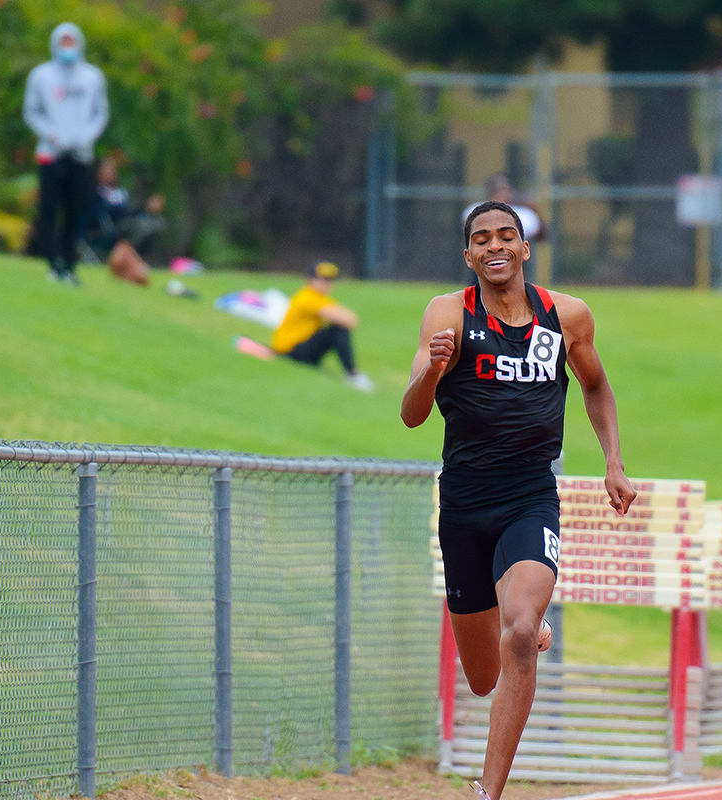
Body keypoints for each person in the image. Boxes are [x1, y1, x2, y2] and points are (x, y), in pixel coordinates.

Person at [401, 200, 636, 800]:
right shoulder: (448, 312)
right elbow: (411, 415)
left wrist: (614, 462)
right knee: (483, 676)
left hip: (530, 493)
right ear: (469, 255)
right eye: (483, 239)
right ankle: (519, 621)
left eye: (508, 235)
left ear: (525, 248)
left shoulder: (567, 316)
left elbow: (596, 387)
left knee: (522, 629)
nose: (496, 246)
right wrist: (432, 370)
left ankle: (488, 792)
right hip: (463, 501)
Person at [24, 22, 109, 285]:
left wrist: (85, 137)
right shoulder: (41, 76)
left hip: (80, 154)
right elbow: (31, 111)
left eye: (71, 43)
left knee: (76, 211)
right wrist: (51, 134)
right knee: (48, 210)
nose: (67, 49)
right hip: (51, 153)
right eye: (63, 43)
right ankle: (52, 262)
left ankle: (70, 265)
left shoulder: (92, 77)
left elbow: (100, 113)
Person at [270, 261, 374, 392]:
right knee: (338, 330)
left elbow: (349, 318)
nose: (327, 284)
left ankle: (352, 375)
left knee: (336, 328)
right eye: (323, 280)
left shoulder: (318, 298)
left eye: (330, 280)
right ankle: (353, 375)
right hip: (290, 351)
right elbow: (348, 320)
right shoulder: (307, 298)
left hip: (298, 347)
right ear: (310, 280)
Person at [83, 156, 167, 287]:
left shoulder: (119, 193)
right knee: (142, 227)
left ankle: (138, 258)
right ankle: (131, 259)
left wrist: (146, 208)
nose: (110, 174)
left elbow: (128, 213)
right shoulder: (94, 192)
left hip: (124, 225)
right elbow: (93, 214)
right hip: (105, 229)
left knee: (157, 224)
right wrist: (107, 203)